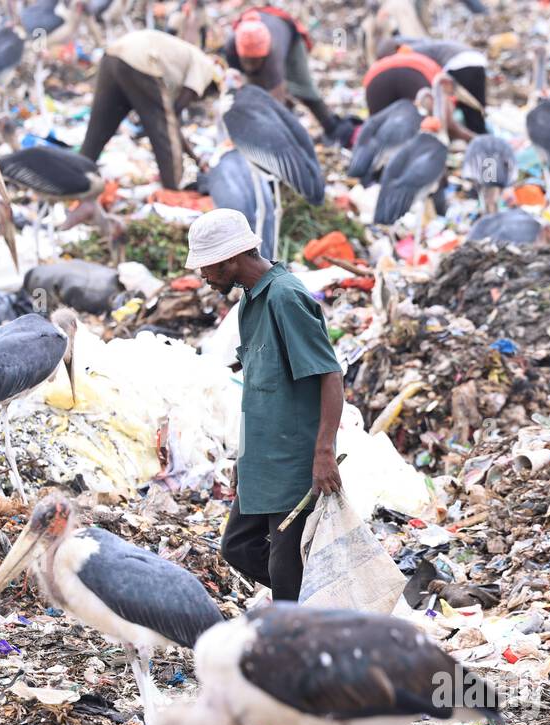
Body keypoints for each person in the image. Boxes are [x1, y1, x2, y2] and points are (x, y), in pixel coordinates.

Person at [185, 208, 343, 603]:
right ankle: (324, 606)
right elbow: (260, 384)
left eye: (206, 267)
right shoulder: (250, 302)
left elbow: (329, 376)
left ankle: (309, 636)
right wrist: (245, 458)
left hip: (294, 464)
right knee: (238, 547)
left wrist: (324, 453)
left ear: (230, 260)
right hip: (263, 461)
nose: (203, 277)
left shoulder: (286, 297)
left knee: (285, 572)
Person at [80, 30, 221, 190]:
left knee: (98, 130)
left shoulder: (180, 68)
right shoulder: (206, 68)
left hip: (113, 54)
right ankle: (173, 189)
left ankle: (78, 177)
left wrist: (194, 158)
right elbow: (170, 120)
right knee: (162, 132)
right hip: (139, 59)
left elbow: (170, 121)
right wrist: (195, 160)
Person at [224, 7, 352, 144]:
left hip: (291, 40)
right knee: (251, 93)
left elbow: (276, 100)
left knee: (304, 88)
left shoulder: (274, 52)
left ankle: (331, 126)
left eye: (255, 61)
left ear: (265, 54)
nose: (250, 66)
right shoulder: (231, 46)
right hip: (268, 31)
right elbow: (235, 85)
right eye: (247, 60)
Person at [363, 44, 480, 141]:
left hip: (374, 80)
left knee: (378, 130)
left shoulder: (384, 62)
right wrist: (474, 139)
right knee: (437, 126)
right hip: (414, 74)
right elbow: (447, 121)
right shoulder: (430, 66)